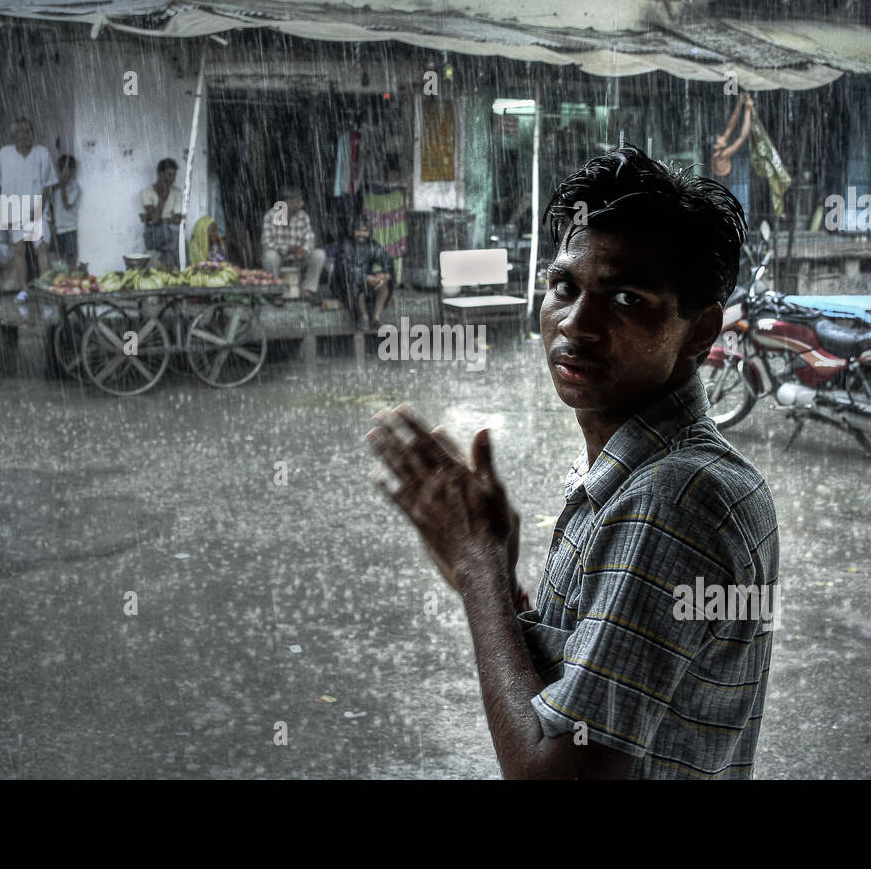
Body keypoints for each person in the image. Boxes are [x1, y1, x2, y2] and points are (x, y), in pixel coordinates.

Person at [367, 147, 779, 779]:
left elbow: (550, 774)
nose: (576, 325)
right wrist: (494, 569)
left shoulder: (672, 499)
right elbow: (573, 681)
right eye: (564, 287)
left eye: (626, 299)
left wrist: (479, 570)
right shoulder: (639, 478)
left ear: (700, 332)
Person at [0, 116, 57, 288]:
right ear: (15, 136)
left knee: (41, 250)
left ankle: (45, 289)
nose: (28, 135)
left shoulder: (42, 153)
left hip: (37, 210)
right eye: (23, 132)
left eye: (30, 131)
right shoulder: (4, 154)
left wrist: (38, 209)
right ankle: (24, 289)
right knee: (18, 251)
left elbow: (48, 186)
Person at [260, 186, 326, 303]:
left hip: (298, 259)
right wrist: (287, 249)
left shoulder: (303, 216)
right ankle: (276, 292)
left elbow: (310, 239)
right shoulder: (271, 215)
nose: (302, 203)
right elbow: (266, 242)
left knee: (319, 254)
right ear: (288, 203)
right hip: (279, 259)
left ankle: (307, 290)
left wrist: (304, 249)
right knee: (269, 256)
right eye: (298, 201)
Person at [337, 217, 395, 331]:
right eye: (358, 230)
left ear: (369, 232)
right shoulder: (346, 244)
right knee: (358, 285)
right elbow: (345, 268)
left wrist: (385, 274)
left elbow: (386, 259)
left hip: (366, 279)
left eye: (365, 231)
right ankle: (363, 318)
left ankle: (376, 318)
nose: (361, 234)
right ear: (352, 231)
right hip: (345, 282)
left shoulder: (372, 245)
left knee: (383, 283)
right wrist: (364, 277)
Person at [138, 157, 183, 270]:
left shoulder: (177, 192)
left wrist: (152, 219)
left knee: (175, 239)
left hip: (171, 236)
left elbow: (178, 220)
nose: (172, 179)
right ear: (159, 174)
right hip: (154, 236)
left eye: (174, 175)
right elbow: (154, 219)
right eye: (169, 175)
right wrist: (163, 198)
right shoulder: (146, 192)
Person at [46, 154, 81, 267]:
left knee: (71, 257)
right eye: (62, 170)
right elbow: (50, 204)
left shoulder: (74, 187)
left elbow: (66, 205)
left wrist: (62, 186)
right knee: (57, 257)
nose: (65, 173)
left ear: (73, 171)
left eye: (68, 170)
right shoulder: (55, 188)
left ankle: (72, 279)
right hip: (57, 229)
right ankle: (62, 280)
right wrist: (51, 222)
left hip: (70, 228)